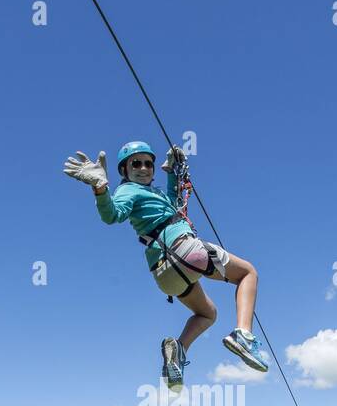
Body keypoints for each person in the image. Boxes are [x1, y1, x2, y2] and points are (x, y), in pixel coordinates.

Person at [63, 141, 268, 391]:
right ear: (124, 170)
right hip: (185, 252)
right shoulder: (128, 191)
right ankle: (244, 335)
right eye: (135, 163)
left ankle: (178, 352)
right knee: (248, 272)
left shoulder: (152, 194)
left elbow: (172, 202)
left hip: (165, 275)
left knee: (208, 314)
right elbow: (111, 215)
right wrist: (100, 187)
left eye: (148, 163)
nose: (144, 168)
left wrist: (171, 171)